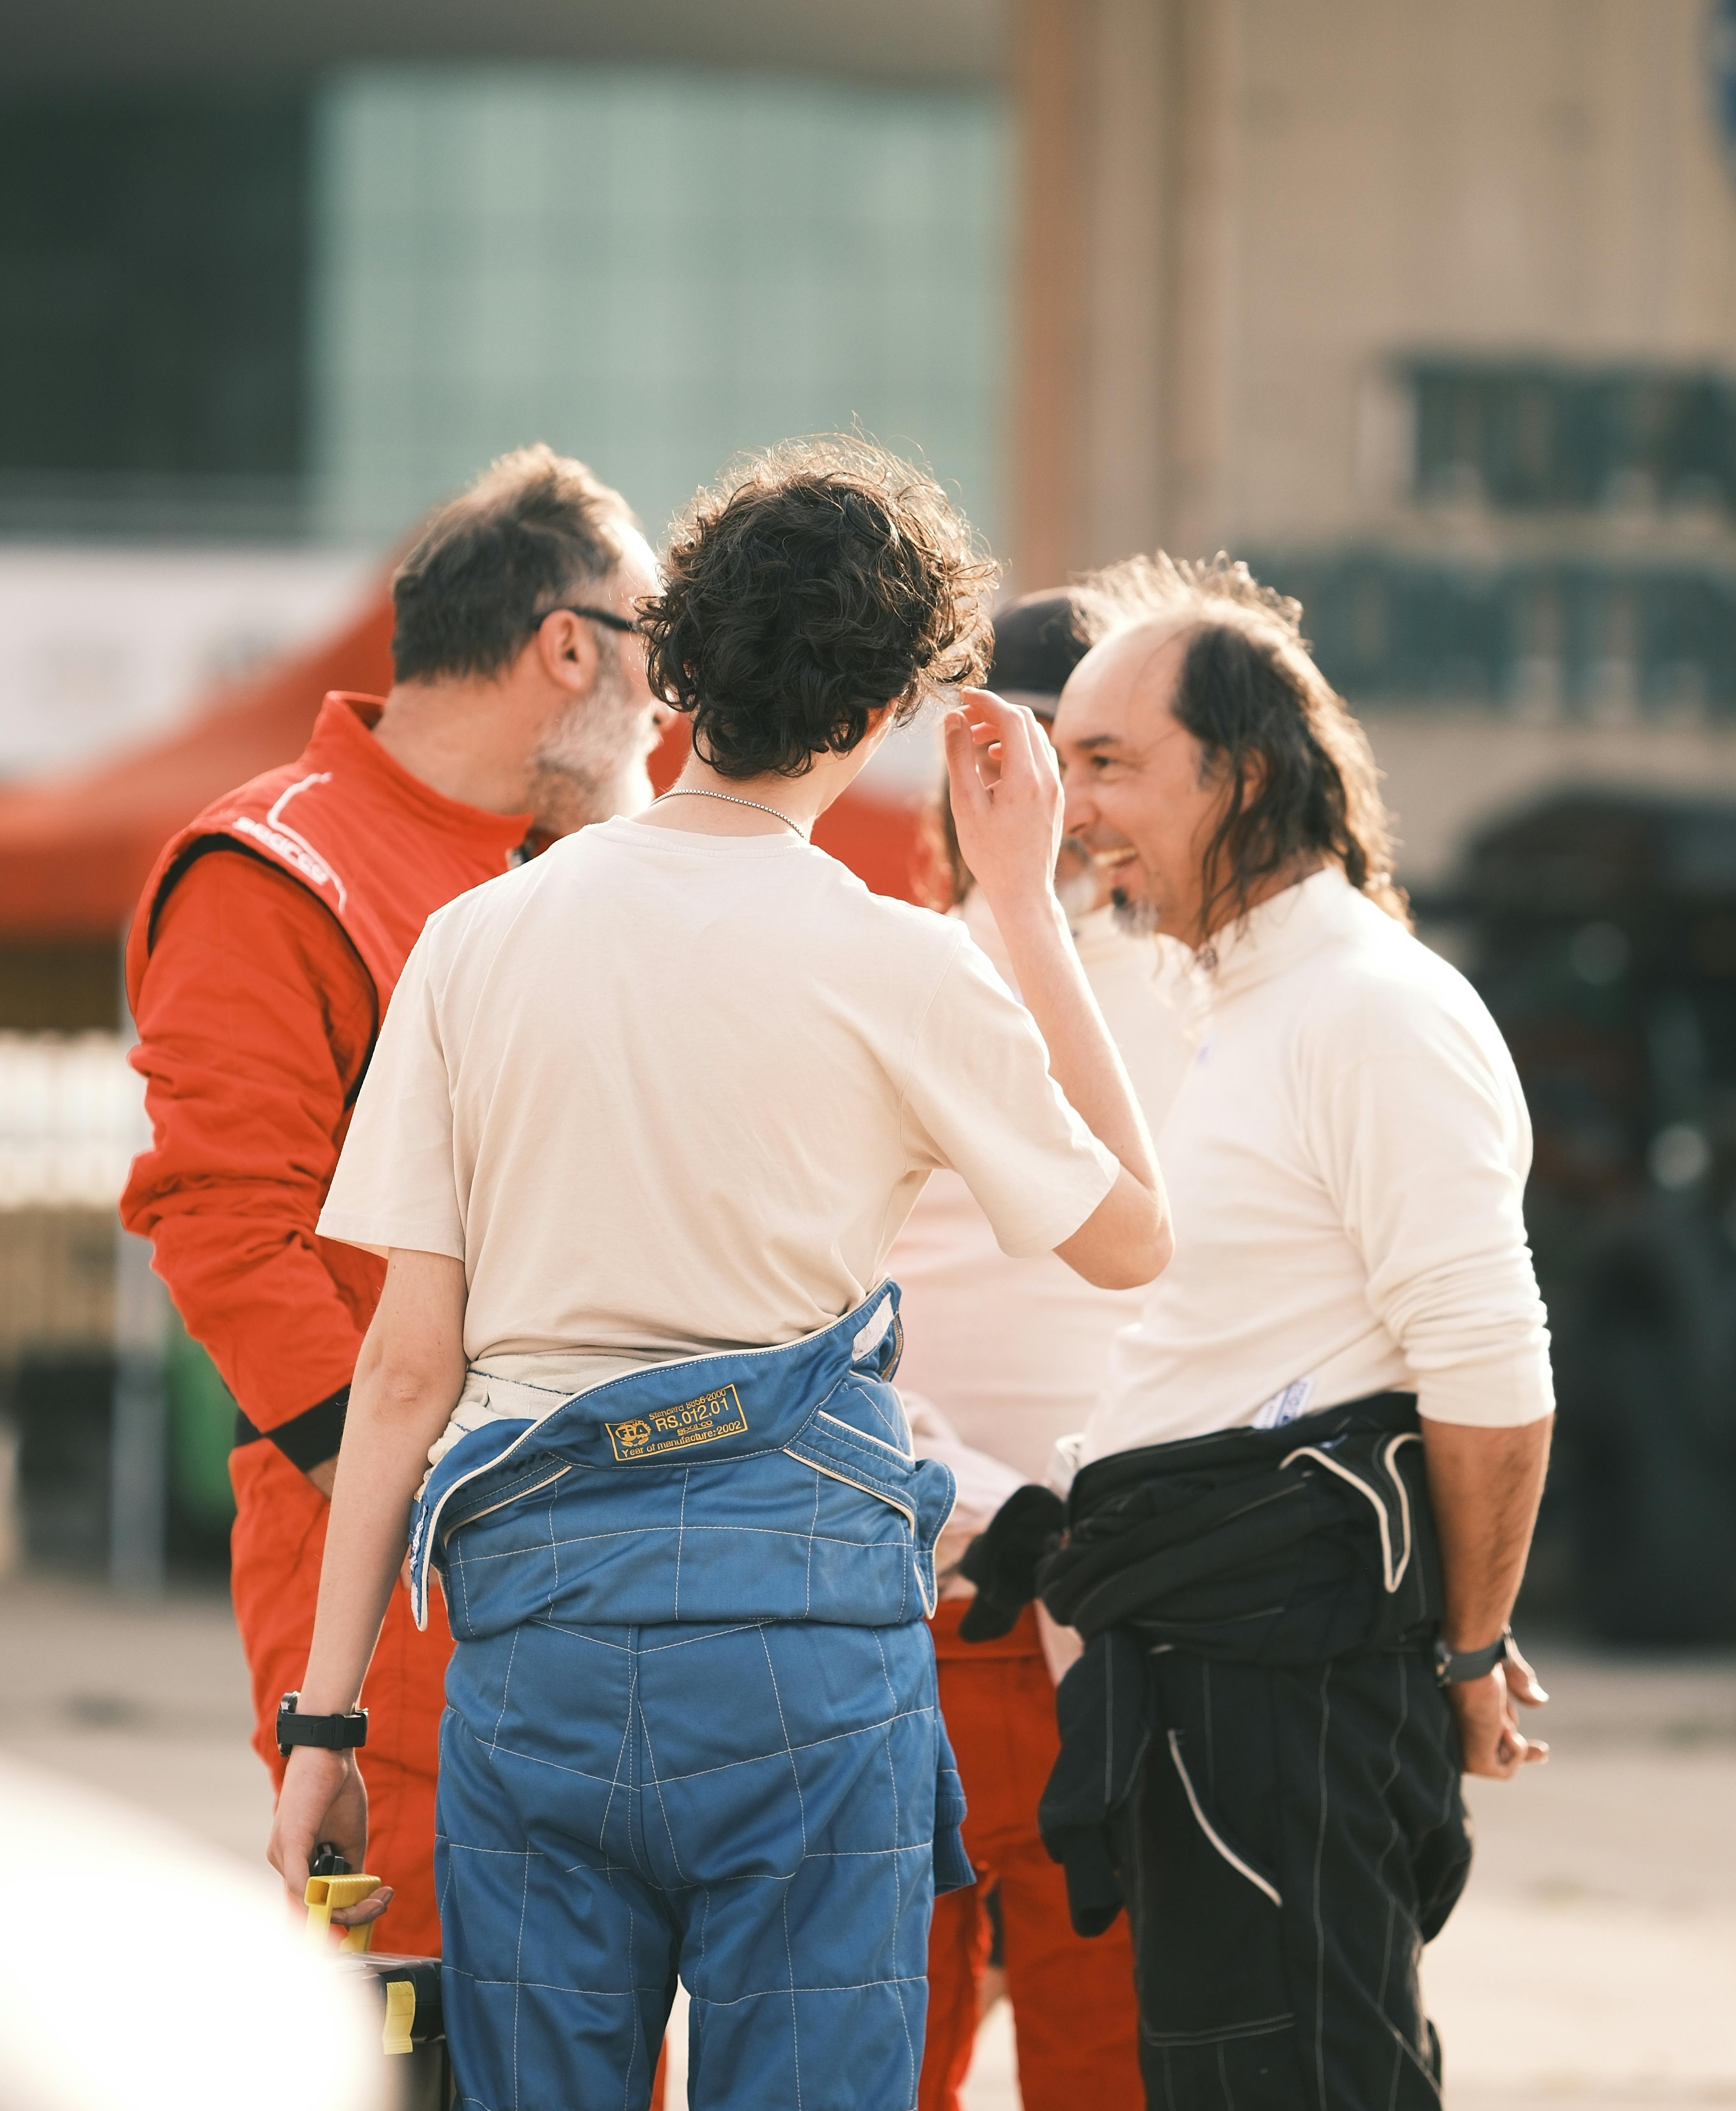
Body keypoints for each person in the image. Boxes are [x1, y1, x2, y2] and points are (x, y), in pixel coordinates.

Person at [265, 441, 1171, 2111]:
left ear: (675, 667)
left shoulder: (479, 940)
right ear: (882, 706)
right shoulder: (904, 965)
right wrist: (1025, 911)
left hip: (538, 1638)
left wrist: (325, 1732)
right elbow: (1132, 1240)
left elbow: (401, 1370)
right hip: (809, 1646)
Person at [964, 552, 1555, 2111]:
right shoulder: (1236, 1004)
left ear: (1241, 770)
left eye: (1108, 763)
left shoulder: (1370, 1010)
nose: (1075, 808)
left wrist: (1470, 1647)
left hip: (1289, 1687)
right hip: (1216, 1677)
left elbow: (1492, 1370)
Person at [122, 444, 665, 1955]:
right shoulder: (277, 867)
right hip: (404, 1594)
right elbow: (226, 1233)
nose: (671, 705)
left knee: (595, 2033)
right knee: (442, 2022)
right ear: (572, 648)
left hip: (592, 1565)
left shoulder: (572, 871)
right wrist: (422, 1512)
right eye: (661, 649)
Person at [890, 591, 1192, 2111]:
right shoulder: (898, 970)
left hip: (1081, 1613)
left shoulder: (1212, 987)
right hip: (954, 1607)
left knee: (1029, 2061)